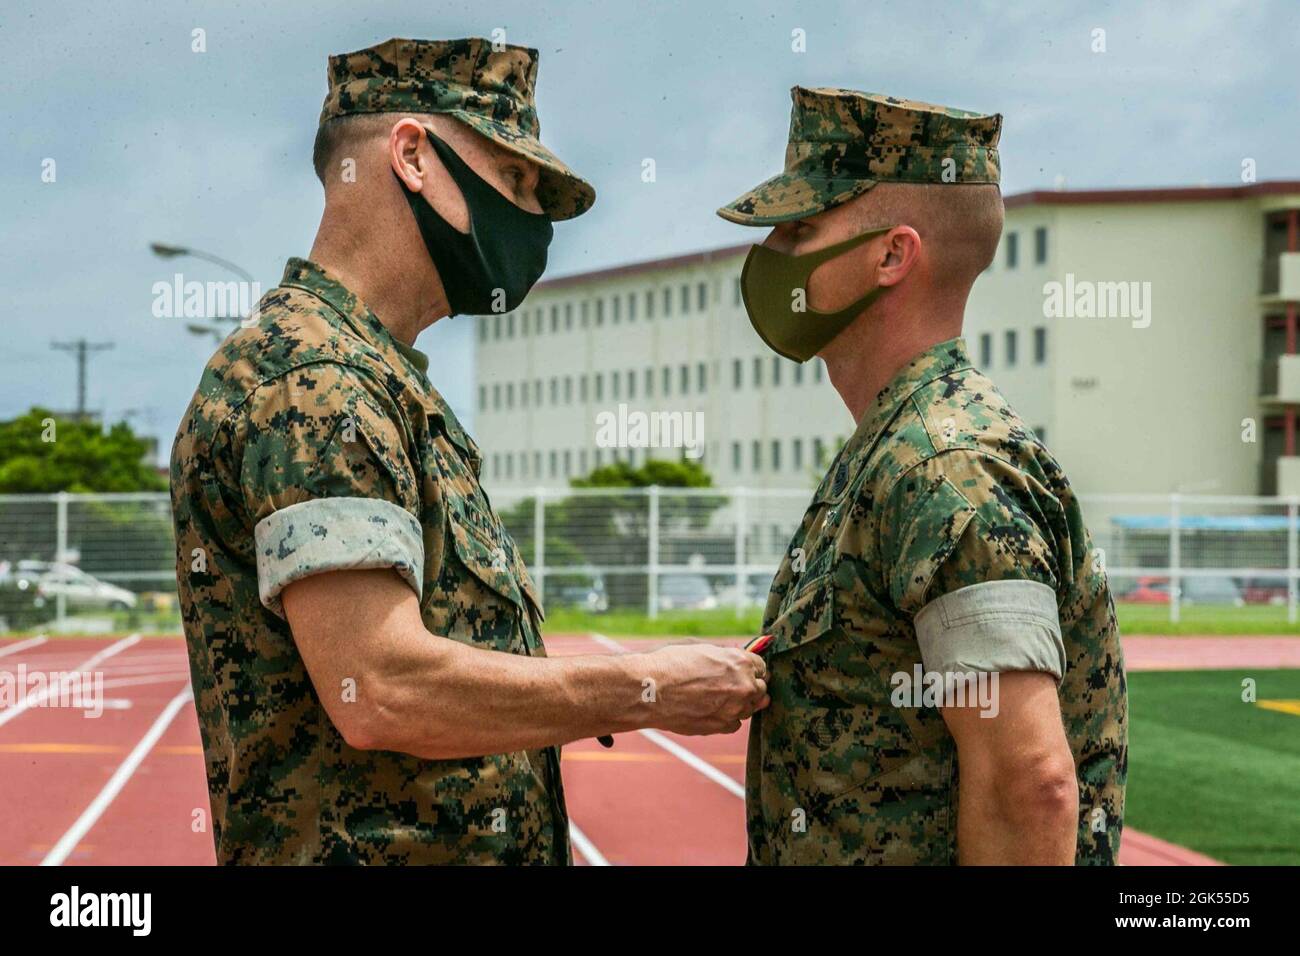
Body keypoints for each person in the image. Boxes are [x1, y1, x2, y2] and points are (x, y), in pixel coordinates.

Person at [170, 36, 768, 865]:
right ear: (412, 155)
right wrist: (645, 687)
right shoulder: (314, 381)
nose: (529, 217)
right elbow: (381, 687)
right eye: (514, 180)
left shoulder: (378, 379)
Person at [717, 87, 1127, 865]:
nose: (773, 253)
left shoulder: (946, 468)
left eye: (801, 228)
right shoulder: (894, 449)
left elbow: (1028, 783)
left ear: (892, 255)